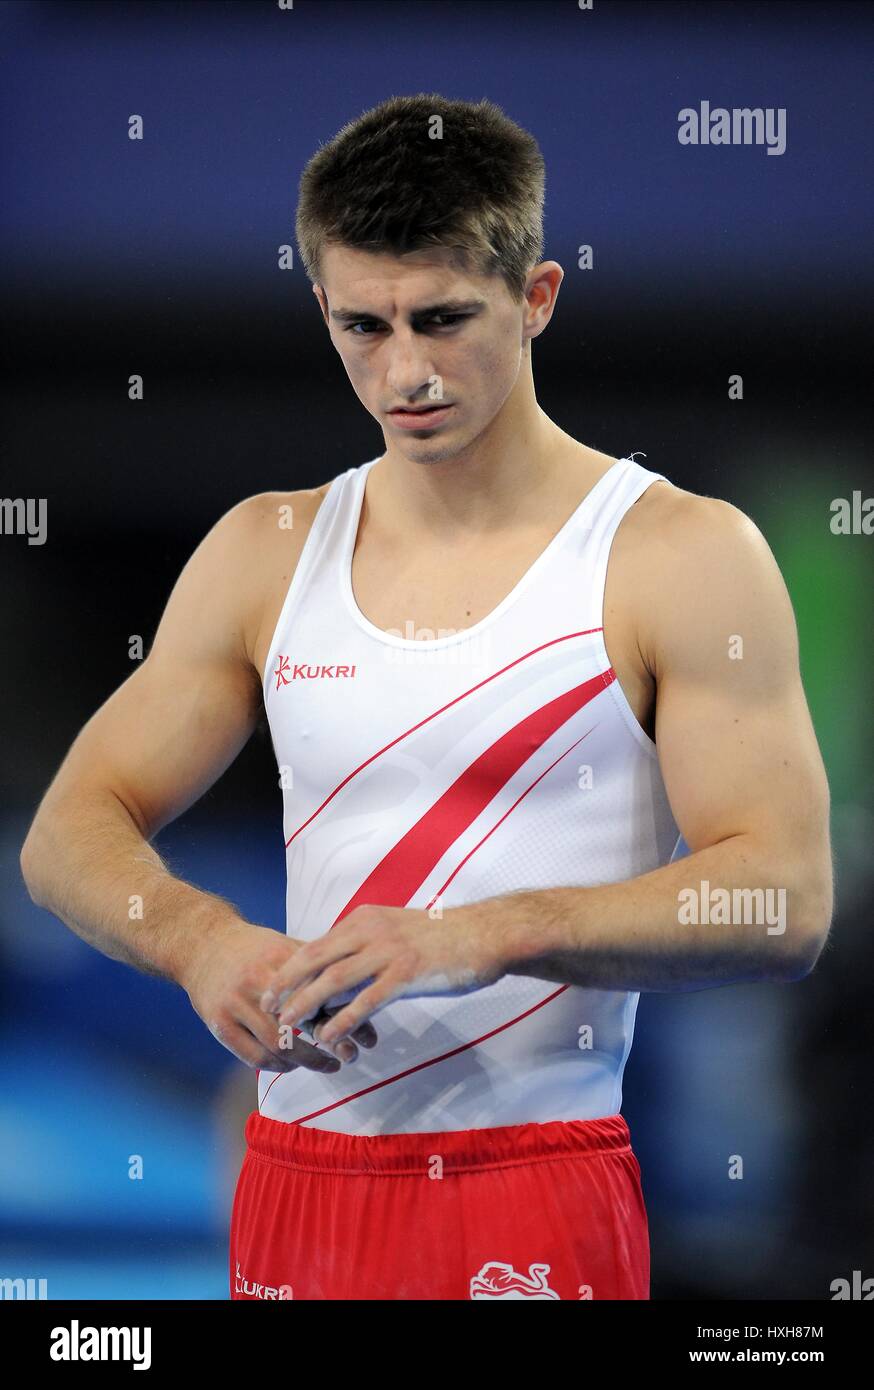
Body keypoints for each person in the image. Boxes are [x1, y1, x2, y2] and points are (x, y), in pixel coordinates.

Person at [20, 94, 833, 1301]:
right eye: (363, 325)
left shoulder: (676, 557)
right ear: (322, 310)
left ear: (538, 296)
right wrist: (200, 944)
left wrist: (479, 931)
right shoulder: (265, 551)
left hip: (531, 1175)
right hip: (296, 1175)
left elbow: (782, 899)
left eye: (444, 319)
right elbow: (69, 828)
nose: (404, 371)